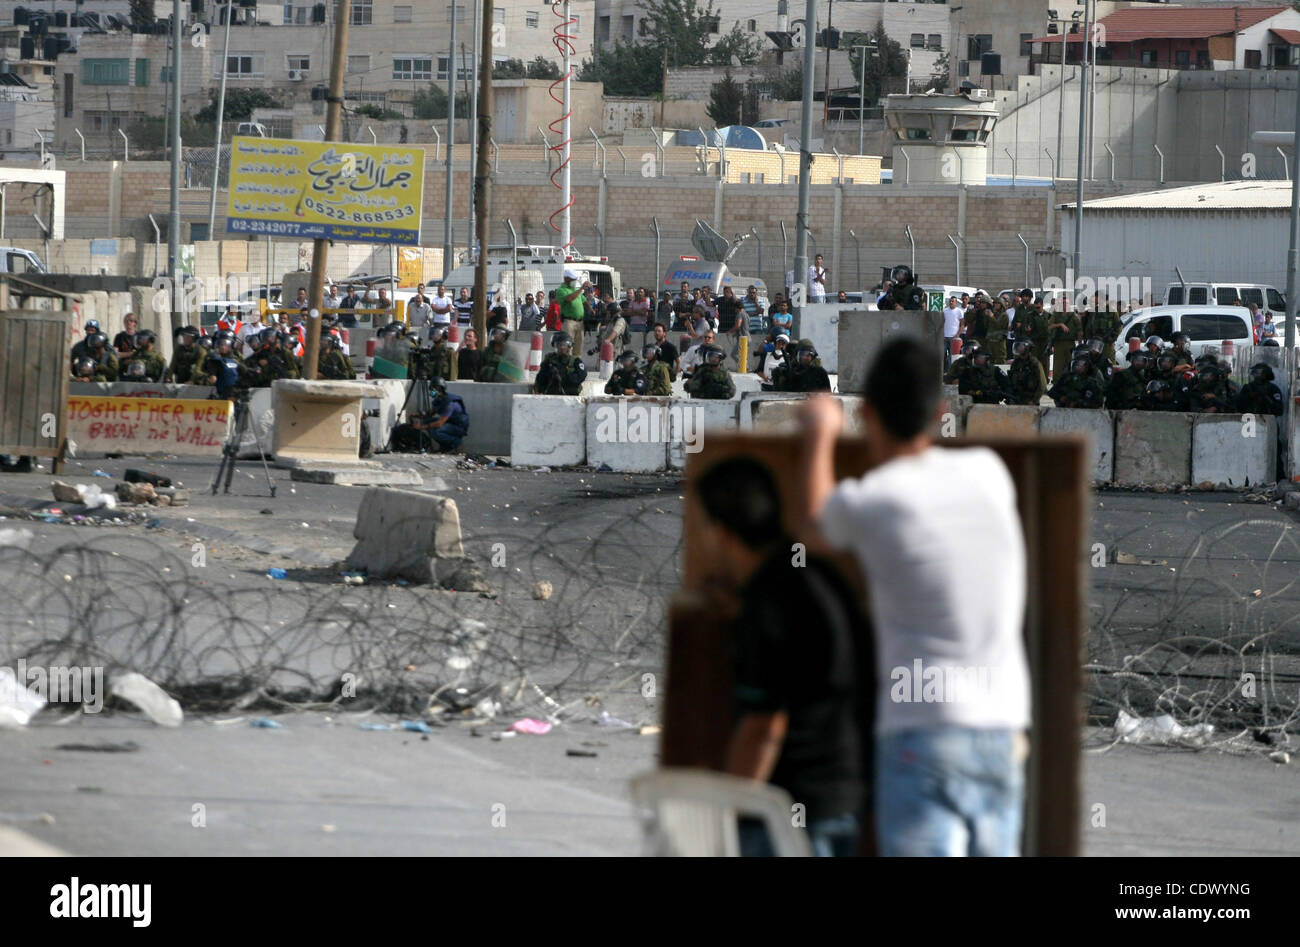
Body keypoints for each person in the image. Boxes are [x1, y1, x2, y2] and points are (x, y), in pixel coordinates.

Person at [799, 337, 1030, 857]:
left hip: (922, 726)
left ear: (868, 414)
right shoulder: (988, 474)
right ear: (941, 413)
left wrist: (819, 434)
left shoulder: (879, 498)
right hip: (1000, 725)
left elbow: (813, 524)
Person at [700, 456, 873, 858]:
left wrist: (727, 817)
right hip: (844, 794)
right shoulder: (817, 575)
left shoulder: (769, 601)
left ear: (723, 533)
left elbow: (764, 727)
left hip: (789, 810)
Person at [391, 377, 469, 453]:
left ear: (439, 389)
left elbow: (439, 423)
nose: (431, 391)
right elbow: (429, 414)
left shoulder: (450, 404)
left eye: (433, 389)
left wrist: (421, 427)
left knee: (436, 432)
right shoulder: (439, 400)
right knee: (427, 422)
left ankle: (457, 443)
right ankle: (445, 447)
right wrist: (416, 415)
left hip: (458, 426)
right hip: (448, 423)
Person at [533, 331, 588, 395]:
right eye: (559, 345)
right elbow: (540, 378)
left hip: (570, 395)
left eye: (564, 344)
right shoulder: (549, 360)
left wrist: (563, 377)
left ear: (569, 346)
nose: (562, 347)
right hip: (551, 394)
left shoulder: (576, 361)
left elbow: (581, 376)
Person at [1048, 299, 1081, 382]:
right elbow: (1049, 327)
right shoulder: (1056, 314)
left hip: (1070, 343)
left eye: (1066, 303)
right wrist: (1060, 324)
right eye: (1063, 303)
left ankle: (1071, 383)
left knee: (1071, 364)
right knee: (1057, 366)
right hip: (1059, 343)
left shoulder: (1073, 315)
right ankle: (1056, 384)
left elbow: (1079, 330)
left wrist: (1080, 345)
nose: (1064, 305)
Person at [1006, 339, 1047, 406]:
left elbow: (1042, 385)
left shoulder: (1034, 363)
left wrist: (1034, 401)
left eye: (1020, 346)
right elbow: (1010, 382)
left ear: (1027, 348)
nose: (1018, 348)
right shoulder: (1015, 363)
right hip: (1016, 399)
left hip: (1029, 400)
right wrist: (1010, 398)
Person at [556, 269, 586, 353]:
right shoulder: (561, 290)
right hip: (569, 322)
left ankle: (575, 363)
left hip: (580, 322)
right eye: (573, 279)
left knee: (578, 347)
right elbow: (569, 298)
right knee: (567, 346)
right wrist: (580, 289)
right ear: (566, 278)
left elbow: (584, 300)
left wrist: (591, 310)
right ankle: (566, 364)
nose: (574, 281)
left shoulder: (575, 289)